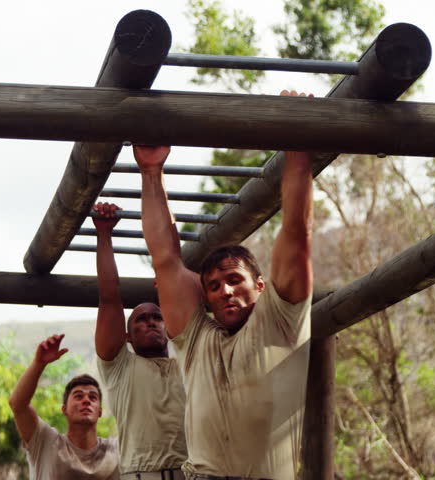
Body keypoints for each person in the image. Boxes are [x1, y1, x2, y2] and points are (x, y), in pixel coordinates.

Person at [135, 90, 316, 480]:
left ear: (261, 286)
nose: (225, 291)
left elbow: (297, 230)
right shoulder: (198, 338)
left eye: (234, 280)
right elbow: (166, 258)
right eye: (214, 286)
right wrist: (151, 172)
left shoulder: (281, 321)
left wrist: (297, 141)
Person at [91, 201, 188, 480]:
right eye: (140, 320)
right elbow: (109, 297)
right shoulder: (120, 367)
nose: (149, 322)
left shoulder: (188, 361)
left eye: (156, 317)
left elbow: (180, 284)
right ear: (126, 336)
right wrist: (104, 234)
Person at [9, 334, 120, 480]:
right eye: (78, 396)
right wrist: (39, 363)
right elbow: (18, 404)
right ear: (64, 409)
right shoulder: (46, 442)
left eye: (93, 397)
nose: (86, 400)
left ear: (100, 411)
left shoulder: (116, 449)